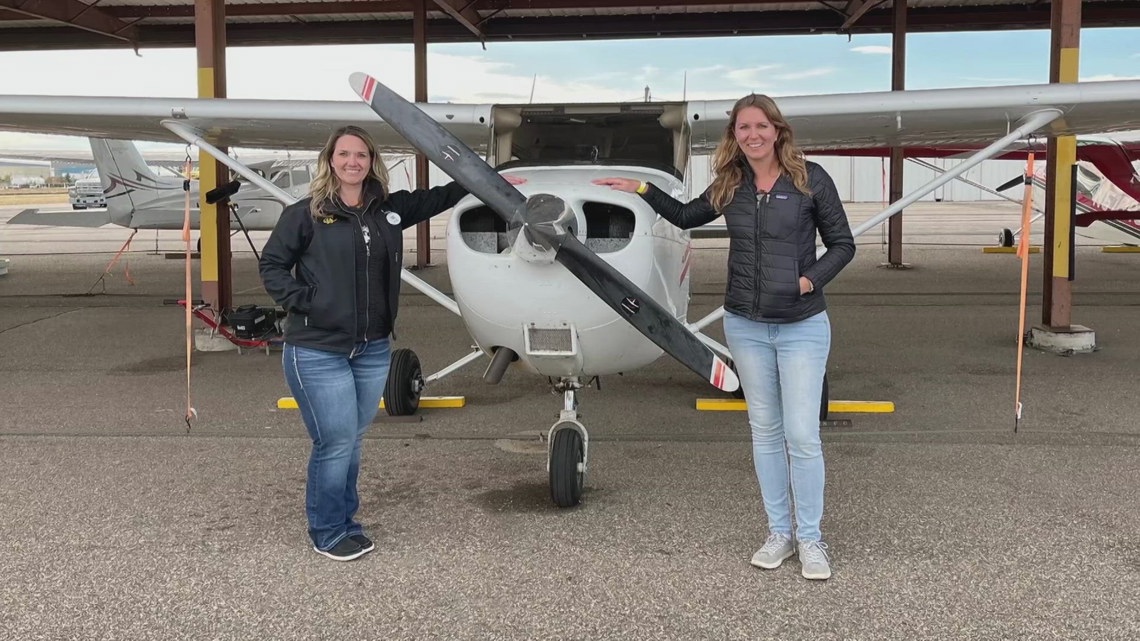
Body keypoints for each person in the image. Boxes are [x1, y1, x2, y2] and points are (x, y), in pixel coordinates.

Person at [592, 94, 855, 580]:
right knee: (765, 432)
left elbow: (844, 245)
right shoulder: (731, 183)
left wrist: (807, 281)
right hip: (746, 325)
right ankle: (779, 533)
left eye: (760, 126)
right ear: (734, 136)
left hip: (802, 325)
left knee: (801, 434)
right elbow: (686, 215)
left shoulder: (810, 179)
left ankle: (811, 539)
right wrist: (641, 188)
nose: (751, 135)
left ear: (777, 130)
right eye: (742, 128)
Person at [259, 125, 524, 561]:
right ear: (330, 160)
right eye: (343, 154)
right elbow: (272, 265)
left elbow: (446, 195)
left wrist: (496, 170)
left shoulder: (388, 210)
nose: (352, 162)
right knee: (335, 442)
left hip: (372, 348)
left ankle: (346, 521)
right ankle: (326, 531)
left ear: (371, 161)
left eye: (360, 155)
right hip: (317, 348)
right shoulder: (304, 214)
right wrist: (306, 301)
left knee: (354, 439)